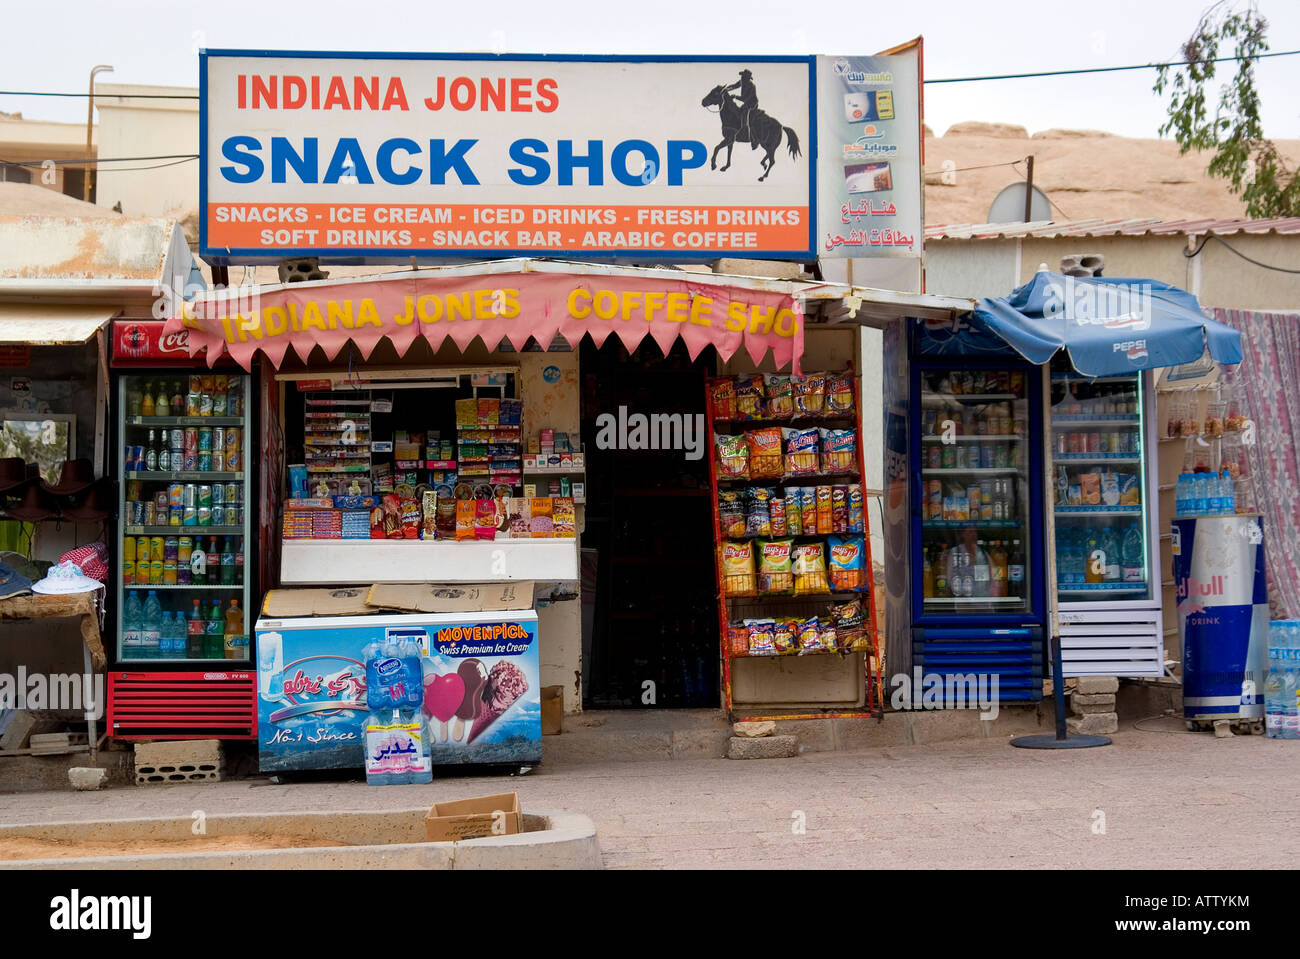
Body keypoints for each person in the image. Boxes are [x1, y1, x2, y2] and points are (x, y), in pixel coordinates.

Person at [723, 69, 759, 149]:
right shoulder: (742, 82)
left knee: (745, 115)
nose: (742, 78)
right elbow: (734, 86)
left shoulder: (751, 86)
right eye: (742, 76)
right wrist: (726, 89)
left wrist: (735, 96)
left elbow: (745, 98)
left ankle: (752, 138)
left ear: (747, 78)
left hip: (752, 104)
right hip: (746, 103)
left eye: (744, 76)